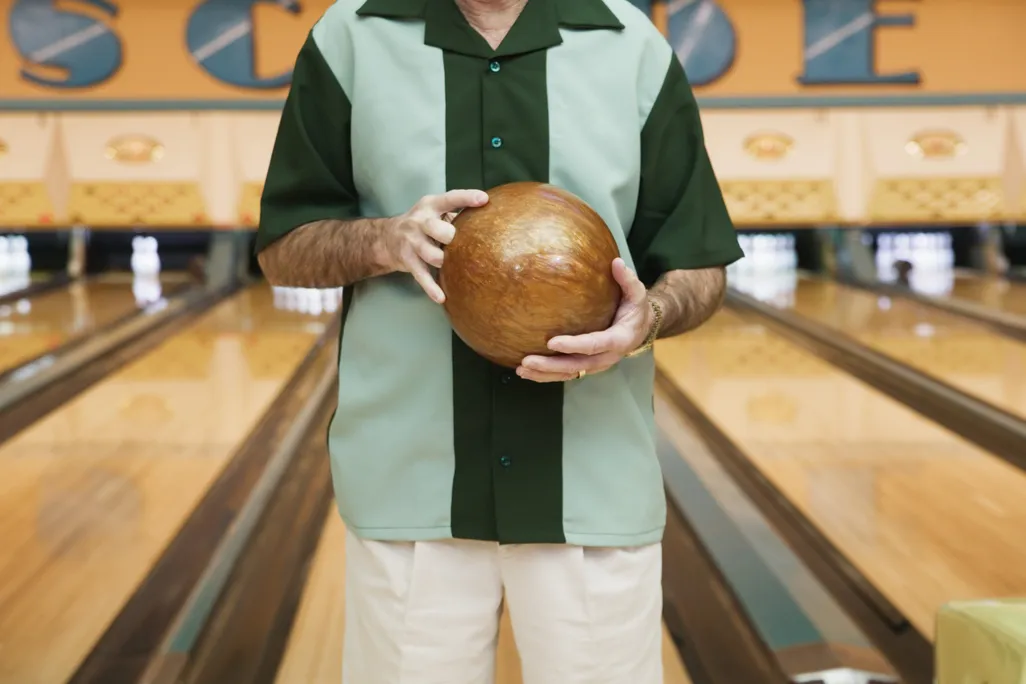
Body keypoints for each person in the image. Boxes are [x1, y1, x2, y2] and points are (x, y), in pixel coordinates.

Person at [255, 0, 743, 681]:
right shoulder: (350, 37)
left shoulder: (631, 46)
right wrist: (384, 239)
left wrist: (646, 318)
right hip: (410, 488)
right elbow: (284, 248)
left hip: (592, 488)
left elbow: (698, 263)